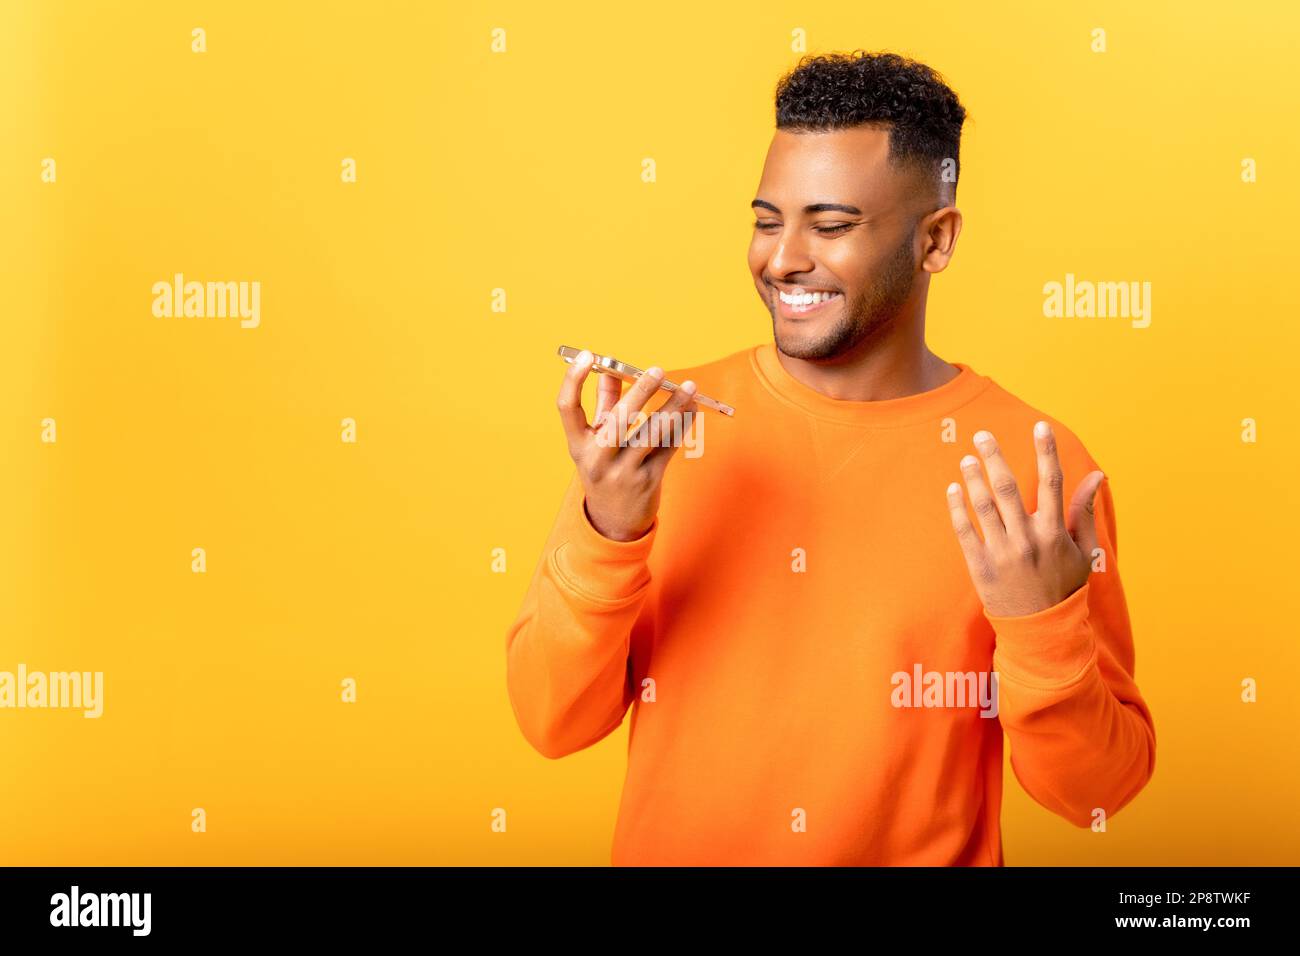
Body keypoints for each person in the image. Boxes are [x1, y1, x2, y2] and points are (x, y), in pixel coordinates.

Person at [506, 50, 1156, 865]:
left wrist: (1042, 626)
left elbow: (1096, 793)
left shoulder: (1035, 465)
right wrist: (608, 532)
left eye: (832, 226)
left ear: (937, 241)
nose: (782, 260)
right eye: (767, 220)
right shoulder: (661, 433)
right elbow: (550, 722)